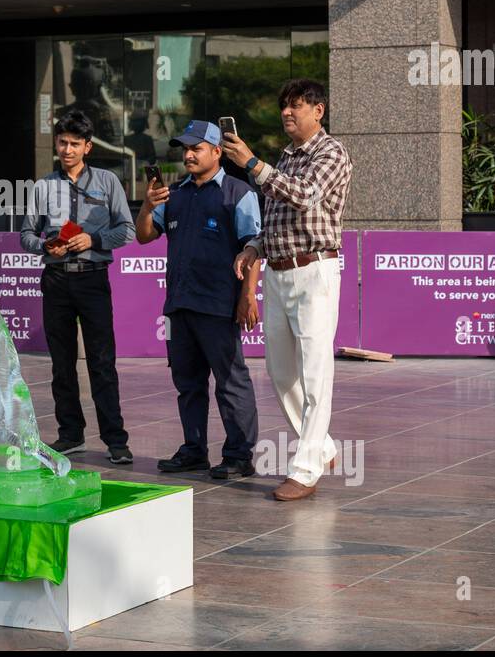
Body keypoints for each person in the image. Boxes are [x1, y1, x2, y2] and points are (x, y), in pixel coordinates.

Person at [222, 79, 353, 502]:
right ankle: (325, 448)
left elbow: (303, 197)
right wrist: (253, 247)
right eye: (284, 106)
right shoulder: (286, 157)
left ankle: (306, 468)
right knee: (281, 372)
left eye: (296, 105)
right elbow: (275, 216)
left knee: (316, 374)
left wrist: (252, 163)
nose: (286, 112)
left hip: (314, 271)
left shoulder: (331, 153)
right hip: (279, 273)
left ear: (319, 110)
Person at [136, 120, 262, 480]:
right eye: (185, 149)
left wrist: (247, 296)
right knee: (187, 383)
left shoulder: (239, 193)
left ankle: (239, 455)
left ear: (217, 152)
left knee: (230, 380)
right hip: (179, 304)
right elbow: (145, 236)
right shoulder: (173, 194)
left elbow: (252, 247)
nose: (188, 155)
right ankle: (194, 450)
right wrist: (147, 205)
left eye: (196, 148)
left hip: (219, 304)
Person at [20, 110, 135, 465]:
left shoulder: (108, 182)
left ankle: (115, 440)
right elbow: (26, 235)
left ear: (87, 146)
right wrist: (44, 246)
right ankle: (70, 435)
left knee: (102, 361)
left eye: (74, 143)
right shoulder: (43, 186)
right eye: (62, 143)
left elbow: (127, 231)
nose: (67, 149)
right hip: (55, 279)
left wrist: (92, 238)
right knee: (62, 363)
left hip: (92, 277)